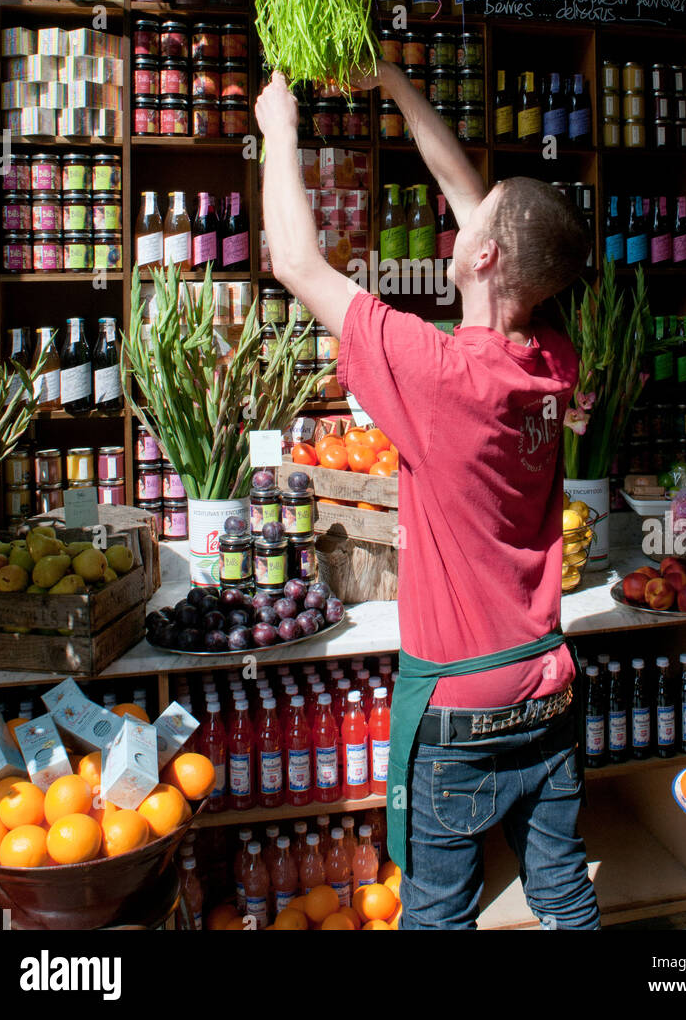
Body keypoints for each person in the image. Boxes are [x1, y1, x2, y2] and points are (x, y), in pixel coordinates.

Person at [256, 59, 600, 931]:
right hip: (548, 690)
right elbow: (477, 198)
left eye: (470, 223)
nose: (458, 213)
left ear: (482, 255)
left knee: (439, 915)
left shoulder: (439, 372)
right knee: (561, 895)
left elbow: (294, 262)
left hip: (462, 714)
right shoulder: (545, 359)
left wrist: (280, 130)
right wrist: (398, 85)